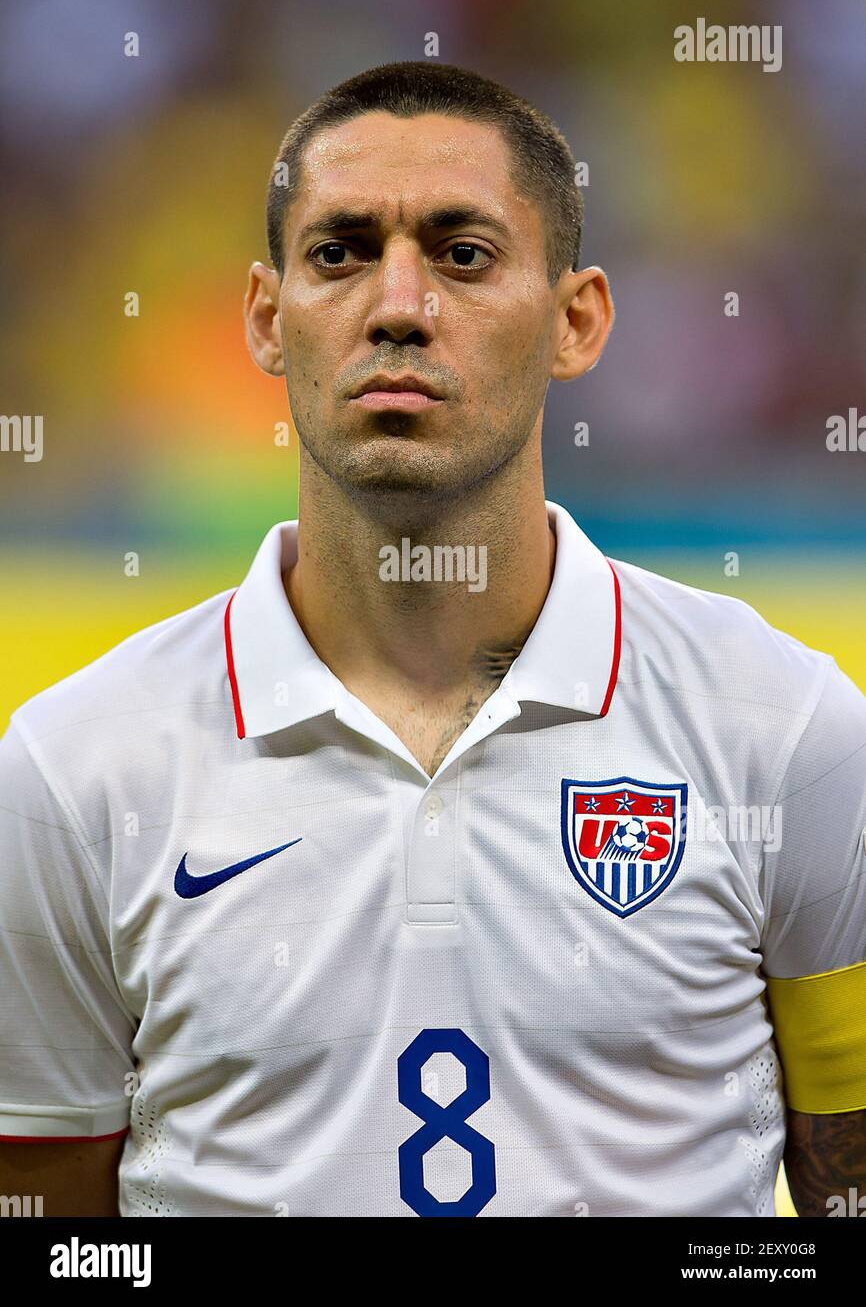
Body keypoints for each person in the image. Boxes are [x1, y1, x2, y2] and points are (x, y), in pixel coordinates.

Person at [1, 62, 864, 1218]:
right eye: (339, 252)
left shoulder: (786, 732)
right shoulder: (73, 770)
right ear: (266, 318)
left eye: (461, 254)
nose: (397, 305)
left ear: (576, 320)